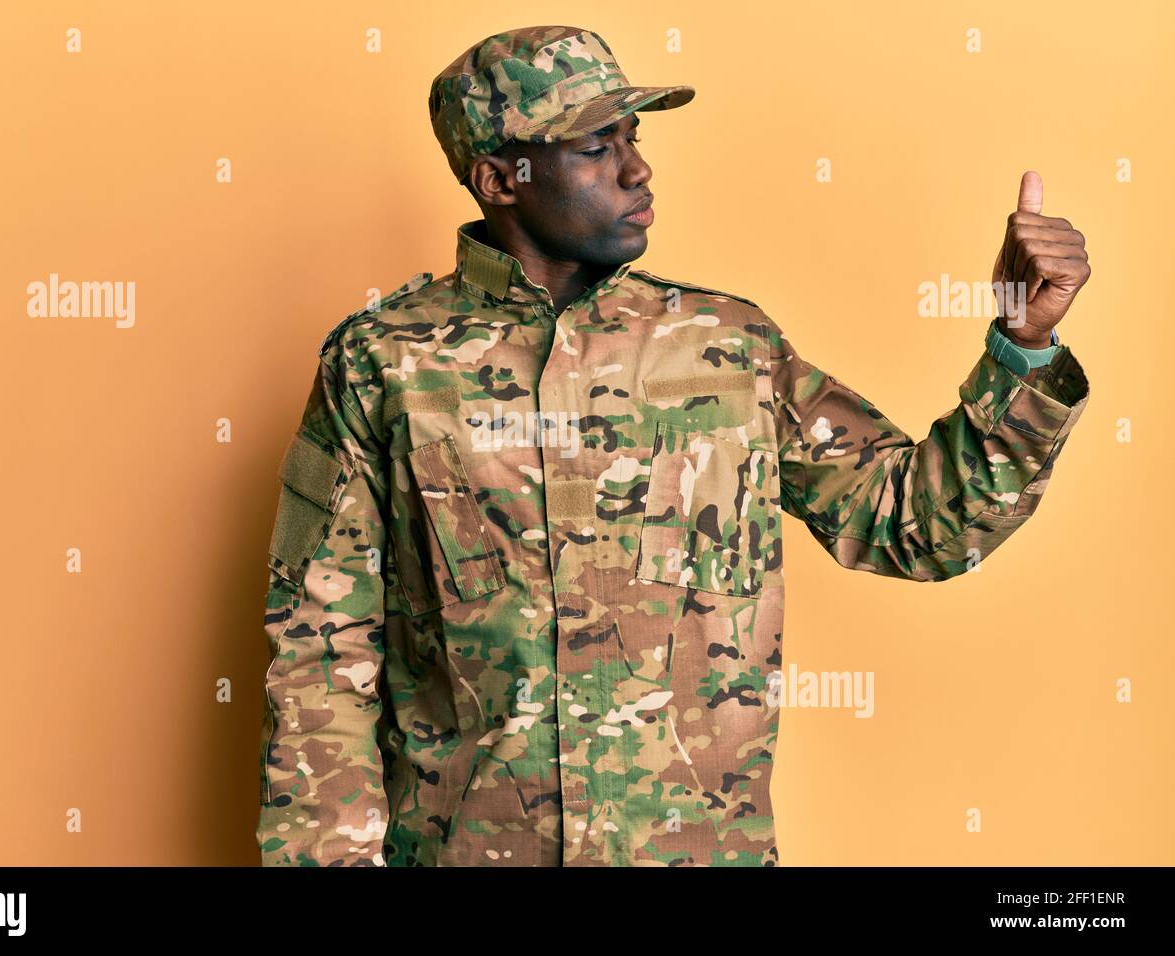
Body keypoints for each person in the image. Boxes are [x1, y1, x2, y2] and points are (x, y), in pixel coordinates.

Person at [256, 24, 1090, 867]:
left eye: (633, 138)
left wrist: (1023, 345)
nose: (636, 169)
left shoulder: (729, 347)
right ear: (499, 178)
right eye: (594, 146)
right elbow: (319, 655)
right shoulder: (382, 365)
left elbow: (915, 524)